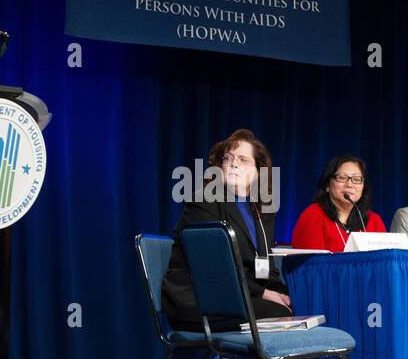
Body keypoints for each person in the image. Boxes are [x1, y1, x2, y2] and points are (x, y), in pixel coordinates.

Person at [163, 128, 289, 330]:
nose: (233, 164)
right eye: (227, 158)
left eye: (243, 159)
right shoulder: (204, 200)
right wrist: (265, 294)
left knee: (296, 306)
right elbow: (214, 267)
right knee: (278, 314)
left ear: (259, 171)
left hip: (240, 296)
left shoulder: (261, 211)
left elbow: (267, 267)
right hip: (200, 300)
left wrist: (283, 293)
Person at [290, 156, 386, 251]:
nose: (349, 184)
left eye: (356, 179)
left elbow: (385, 262)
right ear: (327, 185)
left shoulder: (374, 221)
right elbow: (314, 264)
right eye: (342, 178)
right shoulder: (313, 216)